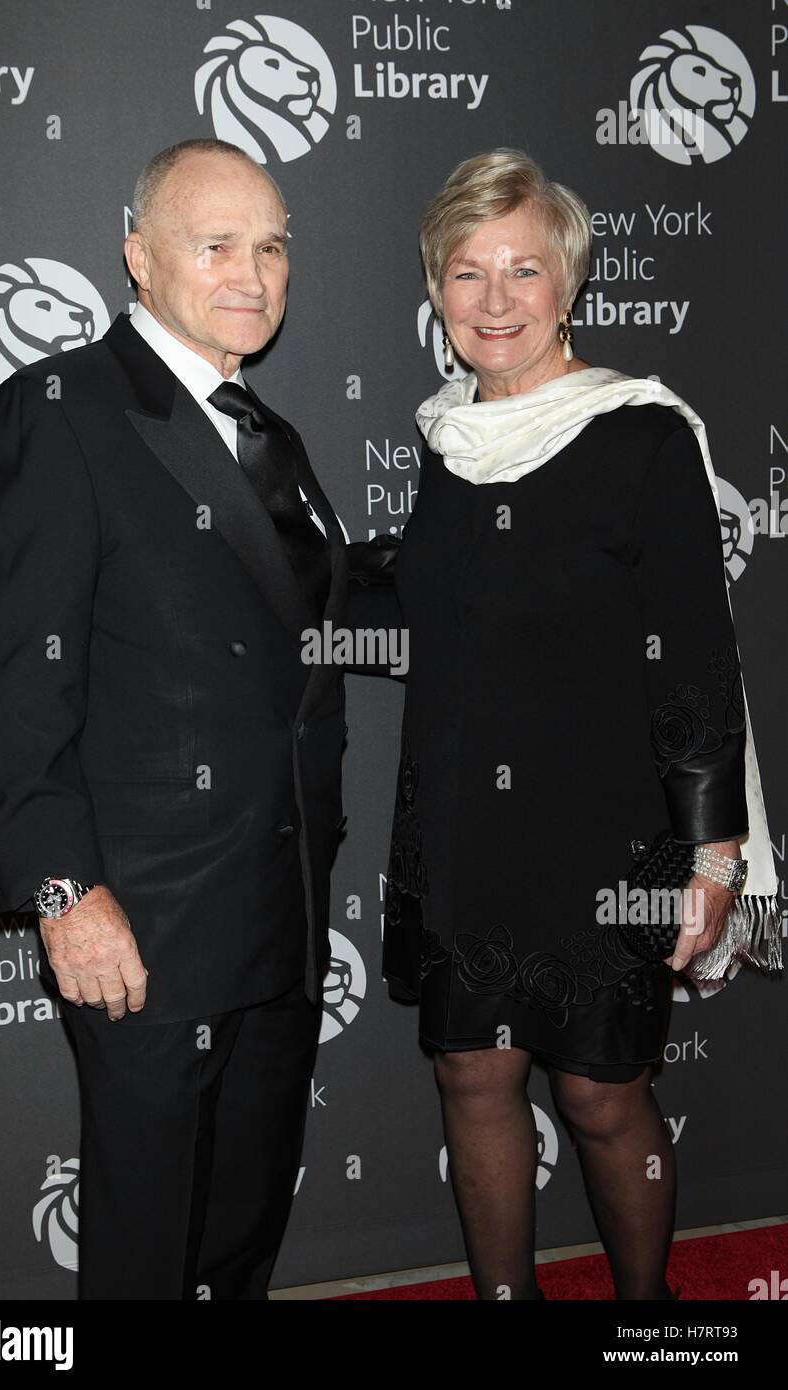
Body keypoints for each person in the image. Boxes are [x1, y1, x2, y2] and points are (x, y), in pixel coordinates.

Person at [379, 149, 781, 1301]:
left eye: (521, 270)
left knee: (604, 1095)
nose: (494, 300)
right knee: (473, 1078)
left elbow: (698, 661)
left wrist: (711, 858)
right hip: (465, 828)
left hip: (610, 839)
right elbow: (415, 607)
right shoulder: (448, 440)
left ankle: (642, 1316)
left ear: (567, 285)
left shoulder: (640, 436)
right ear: (436, 290)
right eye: (466, 273)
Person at [0, 138, 351, 1300]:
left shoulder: (269, 435)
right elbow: (14, 684)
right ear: (136, 256)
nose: (251, 272)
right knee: (142, 1246)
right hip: (142, 927)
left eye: (271, 245)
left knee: (239, 1230)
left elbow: (307, 623)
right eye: (214, 242)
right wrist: (64, 897)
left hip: (278, 908)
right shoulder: (61, 410)